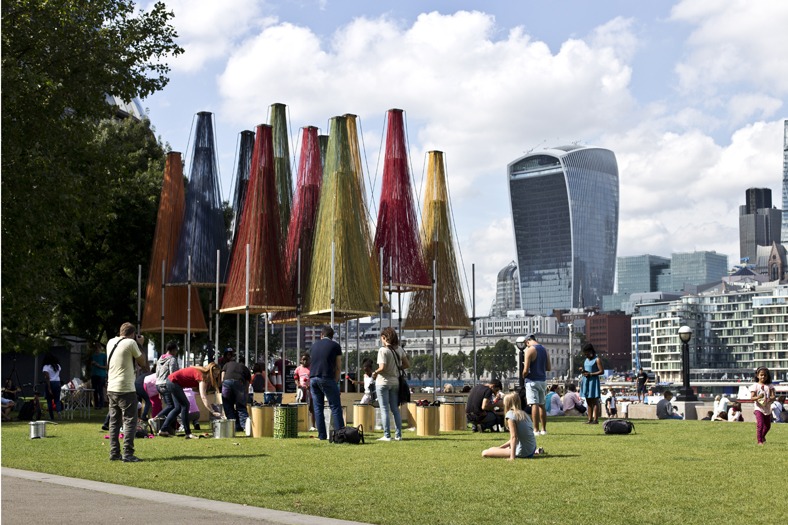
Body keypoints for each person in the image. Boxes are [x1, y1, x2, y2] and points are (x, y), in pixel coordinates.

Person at [106, 323, 149, 462]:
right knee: (130, 421)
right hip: (125, 388)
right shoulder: (131, 343)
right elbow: (142, 362)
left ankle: (114, 453)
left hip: (111, 387)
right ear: (133, 334)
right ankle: (128, 454)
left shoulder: (110, 342)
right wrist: (140, 344)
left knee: (114, 422)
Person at [160, 363, 221, 439]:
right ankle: (188, 433)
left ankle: (163, 430)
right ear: (210, 372)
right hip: (173, 382)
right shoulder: (201, 376)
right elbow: (203, 397)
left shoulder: (201, 372)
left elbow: (196, 389)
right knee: (185, 405)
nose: (216, 376)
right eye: (215, 374)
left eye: (217, 374)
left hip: (171, 381)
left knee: (178, 408)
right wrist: (212, 411)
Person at [481, 392, 545, 460]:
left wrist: (512, 457)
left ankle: (513, 453)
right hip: (531, 449)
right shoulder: (524, 414)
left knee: (485, 452)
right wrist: (500, 448)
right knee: (492, 449)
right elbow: (518, 437)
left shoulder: (510, 415)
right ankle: (536, 451)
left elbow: (514, 437)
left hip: (523, 452)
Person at [372, 326, 409, 441]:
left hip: (383, 382)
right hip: (395, 382)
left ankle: (387, 435)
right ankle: (398, 435)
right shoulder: (399, 349)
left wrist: (375, 372)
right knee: (395, 409)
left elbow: (382, 367)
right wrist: (397, 368)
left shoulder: (382, 350)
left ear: (384, 337)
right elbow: (407, 364)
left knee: (384, 409)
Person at [309, 325, 344, 440]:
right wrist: (336, 381)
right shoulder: (335, 346)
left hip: (313, 378)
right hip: (326, 377)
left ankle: (322, 435)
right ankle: (340, 435)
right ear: (332, 336)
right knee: (335, 406)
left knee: (318, 408)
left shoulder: (313, 346)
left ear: (321, 335)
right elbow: (338, 366)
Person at [522, 333, 552, 435]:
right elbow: (548, 368)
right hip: (542, 380)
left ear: (527, 341)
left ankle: (536, 430)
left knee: (534, 404)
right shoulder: (544, 349)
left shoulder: (529, 350)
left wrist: (523, 375)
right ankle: (544, 429)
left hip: (532, 381)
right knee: (542, 405)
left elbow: (526, 370)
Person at [152, 340, 180, 429]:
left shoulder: (160, 359)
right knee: (172, 406)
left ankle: (171, 427)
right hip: (166, 384)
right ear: (173, 350)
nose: (176, 352)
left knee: (170, 406)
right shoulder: (172, 359)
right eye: (176, 350)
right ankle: (155, 419)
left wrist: (159, 391)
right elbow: (173, 374)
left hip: (158, 384)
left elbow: (157, 373)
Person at [221, 351, 251, 433]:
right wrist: (245, 396)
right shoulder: (245, 368)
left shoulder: (227, 364)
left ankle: (233, 426)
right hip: (239, 383)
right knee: (241, 406)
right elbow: (247, 385)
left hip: (226, 383)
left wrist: (224, 385)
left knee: (228, 405)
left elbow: (222, 377)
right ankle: (245, 427)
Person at [749, 367, 776, 445]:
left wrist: (770, 399)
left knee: (767, 426)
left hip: (767, 408)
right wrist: (758, 397)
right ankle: (759, 441)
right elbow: (752, 397)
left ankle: (762, 436)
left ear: (767, 376)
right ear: (757, 375)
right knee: (760, 424)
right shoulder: (755, 386)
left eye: (765, 375)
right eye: (761, 375)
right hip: (758, 408)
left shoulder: (770, 386)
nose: (763, 377)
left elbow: (773, 396)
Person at [580, 343, 603, 424]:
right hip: (586, 380)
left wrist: (591, 374)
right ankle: (589, 419)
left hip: (593, 381)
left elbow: (601, 371)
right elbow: (587, 370)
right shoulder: (586, 360)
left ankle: (595, 419)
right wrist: (583, 371)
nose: (586, 355)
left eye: (587, 354)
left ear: (591, 351)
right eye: (585, 354)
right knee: (588, 400)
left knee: (595, 401)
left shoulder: (597, 359)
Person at [41, 353, 63, 420]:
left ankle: (51, 416)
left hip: (50, 382)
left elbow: (47, 377)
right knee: (57, 399)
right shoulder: (57, 366)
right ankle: (59, 411)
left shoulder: (46, 367)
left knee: (49, 400)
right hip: (57, 382)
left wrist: (49, 388)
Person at [89, 342, 108, 410]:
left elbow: (106, 367)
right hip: (94, 374)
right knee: (95, 390)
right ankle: (96, 405)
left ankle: (101, 404)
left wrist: (98, 365)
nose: (96, 350)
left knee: (100, 390)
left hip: (101, 375)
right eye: (95, 348)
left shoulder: (104, 356)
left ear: (100, 348)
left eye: (97, 348)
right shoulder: (93, 356)